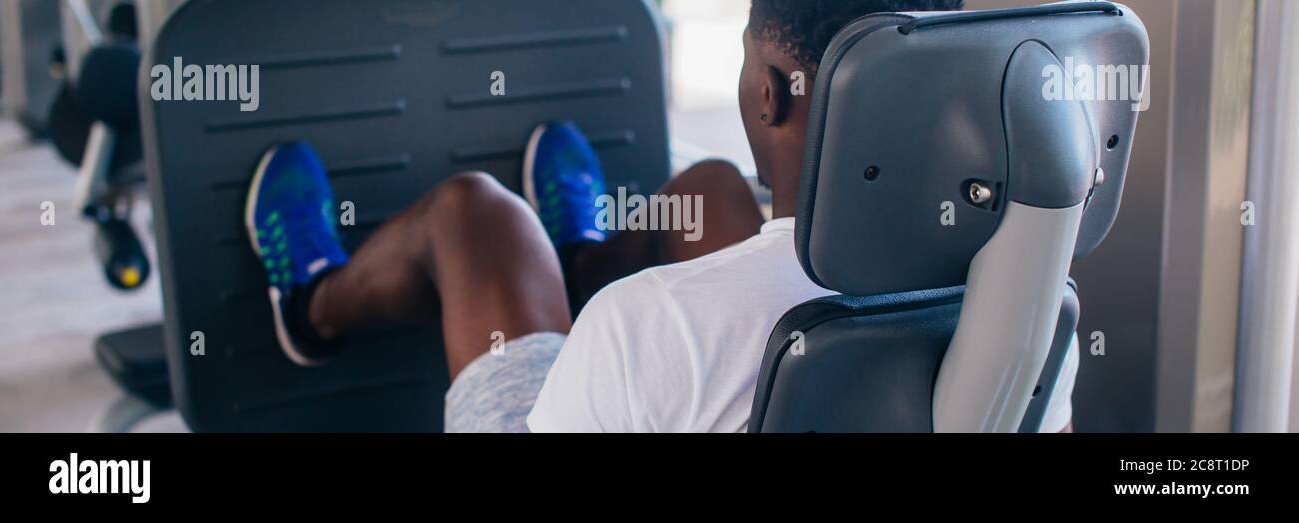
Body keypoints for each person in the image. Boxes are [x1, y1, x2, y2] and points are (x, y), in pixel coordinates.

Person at [244, 0, 1076, 432]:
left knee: (479, 217)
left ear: (766, 93)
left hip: (608, 387)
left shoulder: (647, 323)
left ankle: (308, 304)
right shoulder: (1032, 318)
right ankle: (578, 255)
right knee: (711, 191)